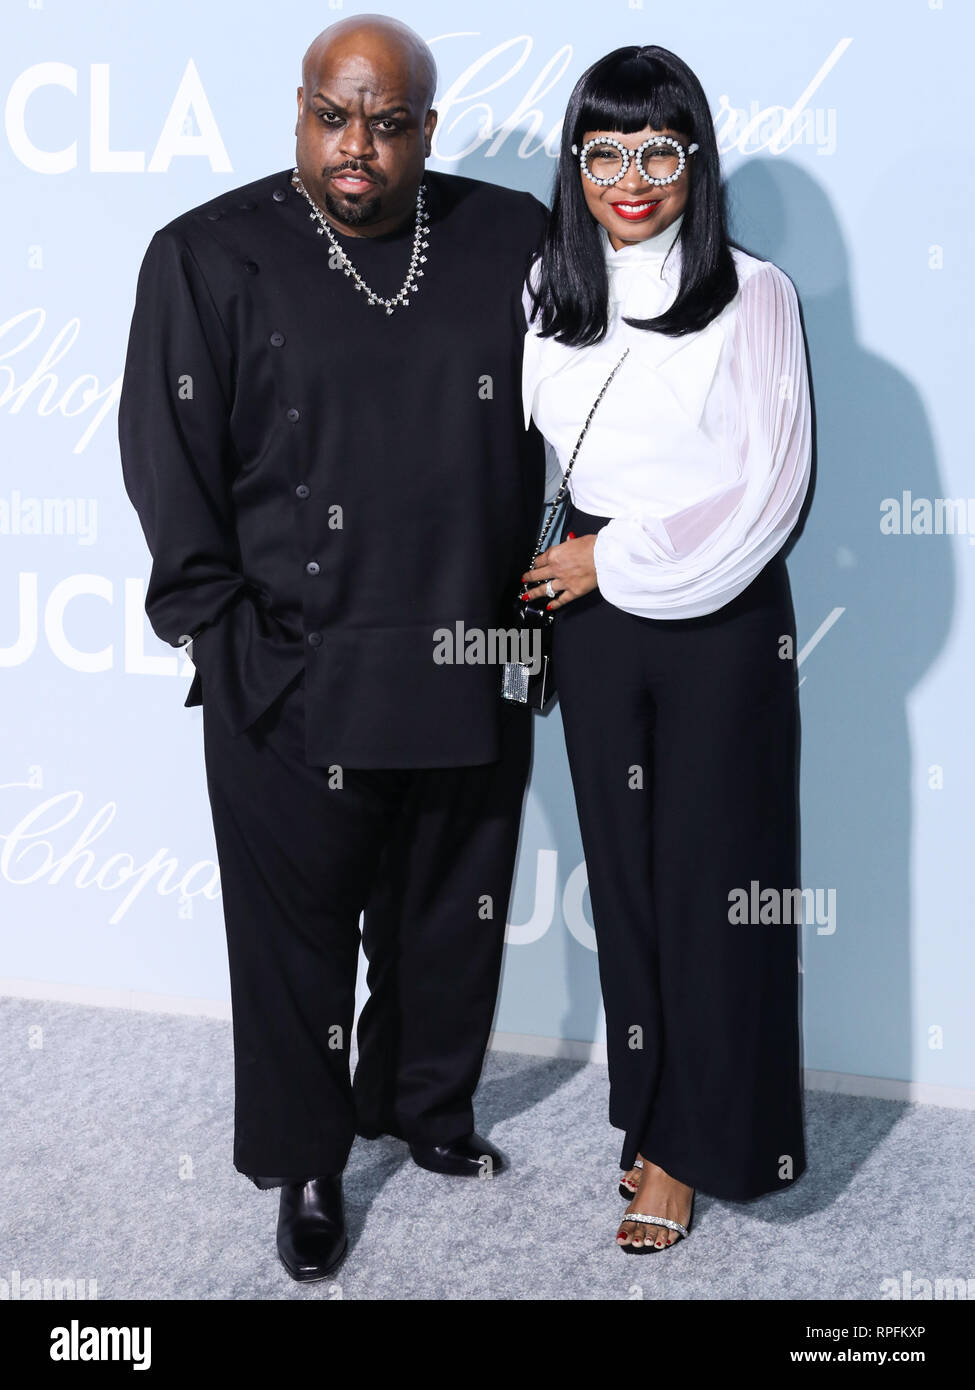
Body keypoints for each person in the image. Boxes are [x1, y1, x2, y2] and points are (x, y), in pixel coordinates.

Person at [118, 15, 548, 1281]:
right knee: (295, 936)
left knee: (446, 914)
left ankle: (422, 1107)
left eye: (390, 121)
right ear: (300, 109)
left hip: (466, 652)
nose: (358, 146)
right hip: (290, 665)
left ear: (428, 125)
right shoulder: (206, 255)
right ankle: (309, 1162)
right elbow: (166, 460)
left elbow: (598, 387)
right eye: (334, 114)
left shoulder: (507, 237)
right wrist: (224, 633)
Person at [520, 44, 812, 1252]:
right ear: (576, 164)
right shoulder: (546, 288)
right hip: (593, 631)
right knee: (627, 884)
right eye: (605, 152)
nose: (631, 178)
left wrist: (611, 561)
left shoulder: (756, 295)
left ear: (695, 158)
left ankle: (698, 1147)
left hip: (720, 624)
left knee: (712, 887)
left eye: (657, 150)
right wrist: (566, 572)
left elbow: (769, 494)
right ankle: (646, 1109)